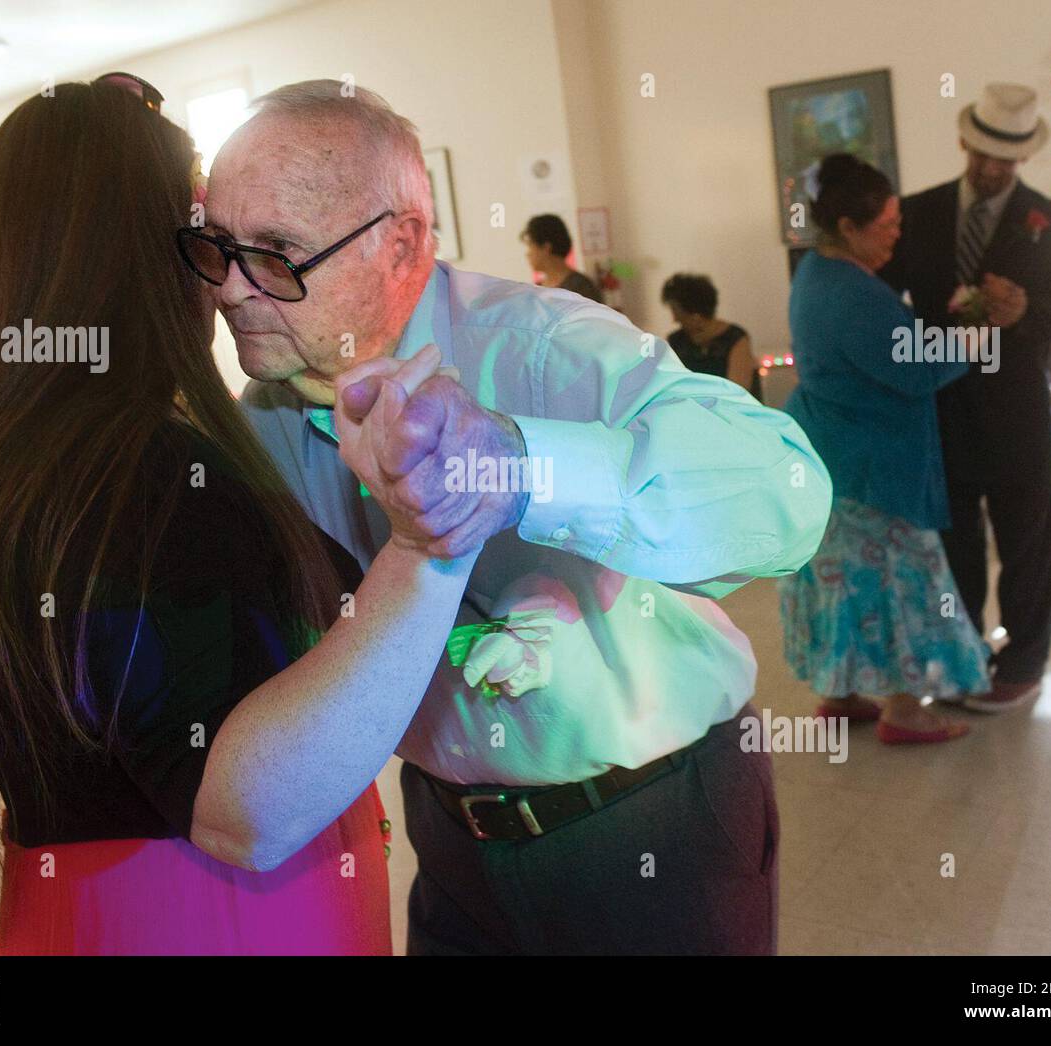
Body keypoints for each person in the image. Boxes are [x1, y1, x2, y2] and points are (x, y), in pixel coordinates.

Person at [191, 80, 833, 955]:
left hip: (648, 820)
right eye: (215, 247)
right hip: (449, 838)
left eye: (276, 254)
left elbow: (789, 495)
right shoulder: (257, 419)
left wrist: (519, 467)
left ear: (400, 245)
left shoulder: (540, 346)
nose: (230, 290)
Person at [0, 76, 479, 956]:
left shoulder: (16, 463)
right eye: (209, 238)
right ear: (147, 252)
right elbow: (246, 812)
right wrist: (427, 540)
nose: (236, 280)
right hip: (211, 920)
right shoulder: (146, 475)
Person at [880, 83, 1051, 712]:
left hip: (1018, 415)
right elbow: (877, 293)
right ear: (964, 141)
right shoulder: (916, 213)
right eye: (983, 155)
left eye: (1007, 160)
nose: (994, 169)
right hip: (939, 412)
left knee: (1028, 545)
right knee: (955, 546)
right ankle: (962, 652)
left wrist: (1026, 309)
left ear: (1023, 158)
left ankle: (1024, 662)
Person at [779, 153, 991, 744]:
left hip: (831, 455)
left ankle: (840, 692)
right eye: (888, 224)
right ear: (848, 227)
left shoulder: (815, 273)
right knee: (904, 583)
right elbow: (915, 370)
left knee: (841, 582)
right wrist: (976, 338)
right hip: (870, 468)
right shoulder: (852, 292)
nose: (899, 232)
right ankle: (904, 708)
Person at [662, 273, 761, 399]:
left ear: (695, 316)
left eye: (676, 311)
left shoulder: (735, 339)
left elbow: (738, 392)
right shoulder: (676, 341)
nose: (674, 319)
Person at [520, 213, 602, 302]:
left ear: (546, 248)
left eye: (530, 247)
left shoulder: (581, 288)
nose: (527, 254)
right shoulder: (537, 289)